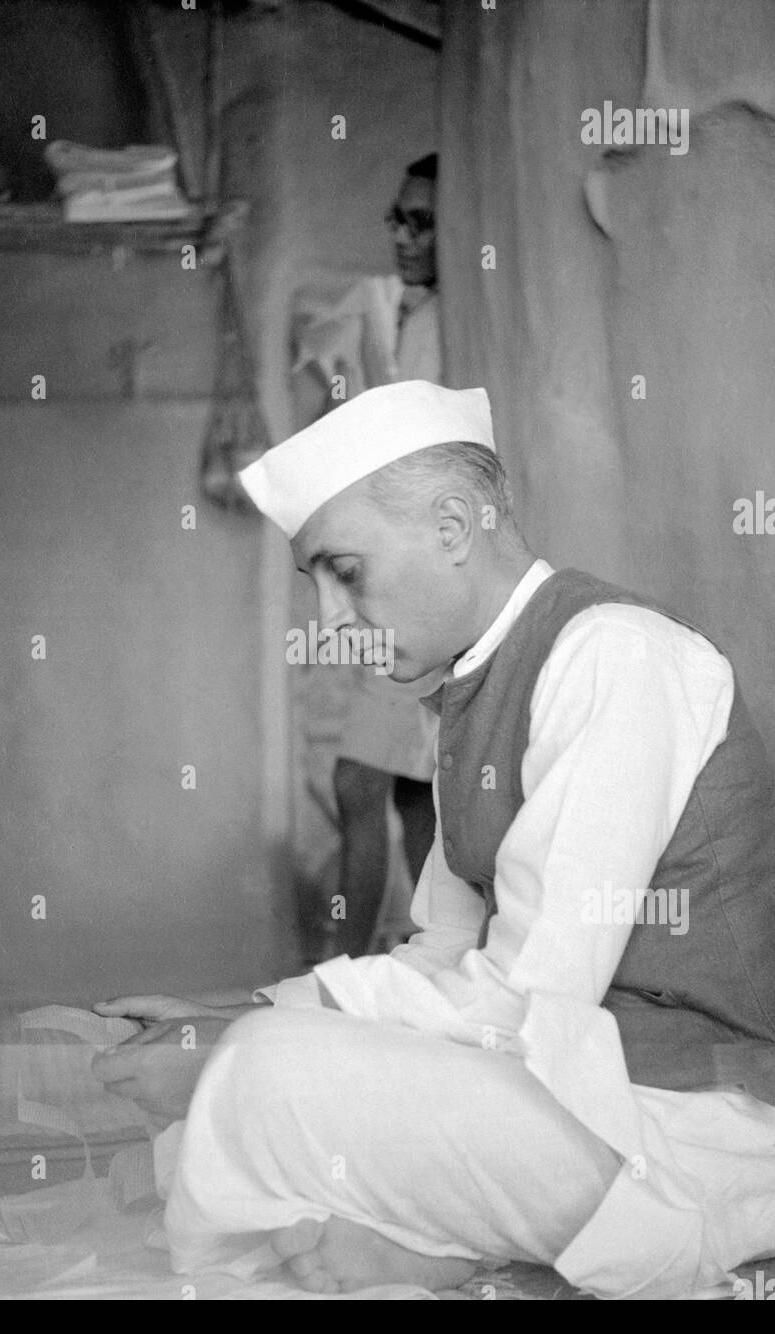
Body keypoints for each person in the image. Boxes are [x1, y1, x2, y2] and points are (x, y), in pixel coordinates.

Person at [92, 381, 775, 1298]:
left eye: (343, 572)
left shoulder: (613, 655)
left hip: (737, 1123)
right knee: (260, 1071)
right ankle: (480, 1250)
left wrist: (241, 1042)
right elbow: (445, 949)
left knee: (262, 1078)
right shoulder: (467, 698)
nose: (328, 622)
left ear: (450, 527)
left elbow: (526, 995)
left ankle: (560, 1250)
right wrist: (250, 1010)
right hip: (597, 1091)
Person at [291, 154, 442, 960]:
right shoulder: (402, 318)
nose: (401, 235)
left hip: (425, 589)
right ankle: (439, 977)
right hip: (394, 581)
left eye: (421, 222)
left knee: (360, 782)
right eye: (396, 217)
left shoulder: (452, 323)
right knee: (415, 800)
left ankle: (336, 982)